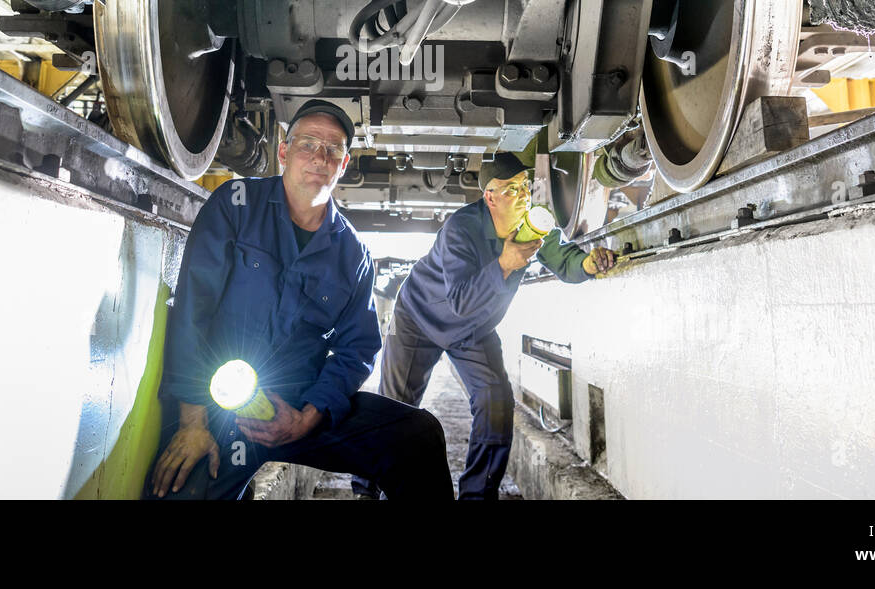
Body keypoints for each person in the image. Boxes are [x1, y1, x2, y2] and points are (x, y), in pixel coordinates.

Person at [146, 99, 453, 500]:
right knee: (178, 490)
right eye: (308, 144)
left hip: (296, 404)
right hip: (217, 404)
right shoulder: (235, 206)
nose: (320, 157)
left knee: (418, 436)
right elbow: (192, 312)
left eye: (333, 150)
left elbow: (357, 349)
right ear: (284, 152)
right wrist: (191, 422)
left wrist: (309, 415)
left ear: (343, 166)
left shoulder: (353, 254)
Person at [353, 152, 616, 500]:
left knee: (495, 401)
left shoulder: (535, 223)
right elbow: (460, 301)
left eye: (525, 187)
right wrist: (504, 265)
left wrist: (587, 263)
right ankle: (367, 488)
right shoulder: (461, 228)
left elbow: (564, 260)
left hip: (472, 330)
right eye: (512, 190)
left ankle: (478, 495)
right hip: (419, 319)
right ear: (490, 196)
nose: (523, 196)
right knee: (396, 407)